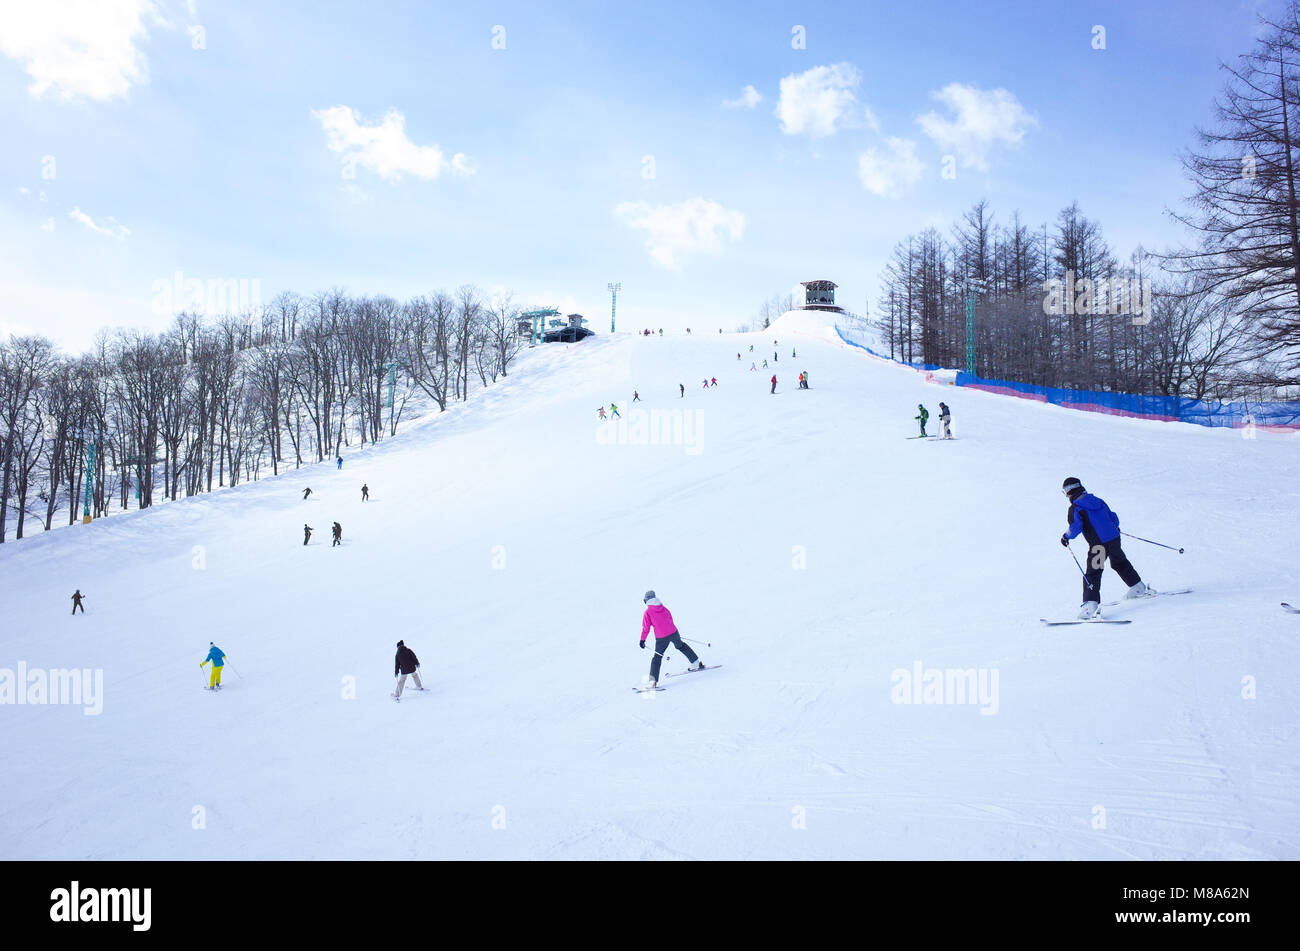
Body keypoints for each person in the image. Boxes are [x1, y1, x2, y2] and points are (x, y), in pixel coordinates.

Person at [1061, 478, 1153, 618]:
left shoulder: (1077, 508)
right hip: (1114, 539)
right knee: (1120, 563)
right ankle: (1137, 587)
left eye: (1065, 492)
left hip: (1099, 546)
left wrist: (1066, 537)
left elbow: (1075, 527)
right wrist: (1113, 528)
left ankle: (1090, 606)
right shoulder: (1097, 500)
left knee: (1093, 572)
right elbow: (1113, 517)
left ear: (1069, 492)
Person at [639, 590, 703, 688]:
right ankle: (696, 663)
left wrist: (642, 640)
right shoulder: (663, 607)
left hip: (661, 638)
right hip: (673, 632)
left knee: (657, 657)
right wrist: (672, 632)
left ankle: (653, 681)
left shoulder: (648, 612)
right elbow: (669, 618)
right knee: (681, 645)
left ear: (646, 600)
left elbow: (646, 628)